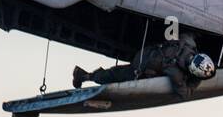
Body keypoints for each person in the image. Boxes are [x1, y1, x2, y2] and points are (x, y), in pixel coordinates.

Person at [72, 33, 214, 96]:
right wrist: (197, 80)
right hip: (141, 65)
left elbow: (189, 34)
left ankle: (85, 75)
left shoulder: (188, 43)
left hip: (147, 50)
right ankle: (85, 76)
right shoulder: (175, 72)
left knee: (116, 72)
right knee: (114, 76)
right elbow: (184, 93)